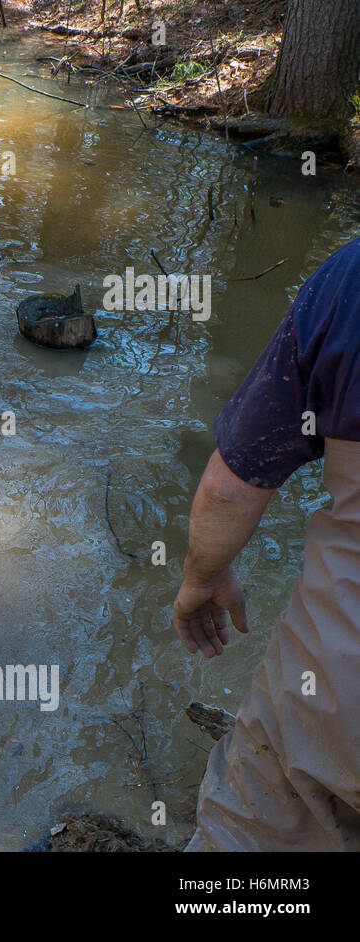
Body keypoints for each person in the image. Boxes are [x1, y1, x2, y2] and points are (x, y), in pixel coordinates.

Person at [172, 237, 360, 851]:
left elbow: (233, 486)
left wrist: (202, 577)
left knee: (253, 840)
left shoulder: (349, 278)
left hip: (339, 683)